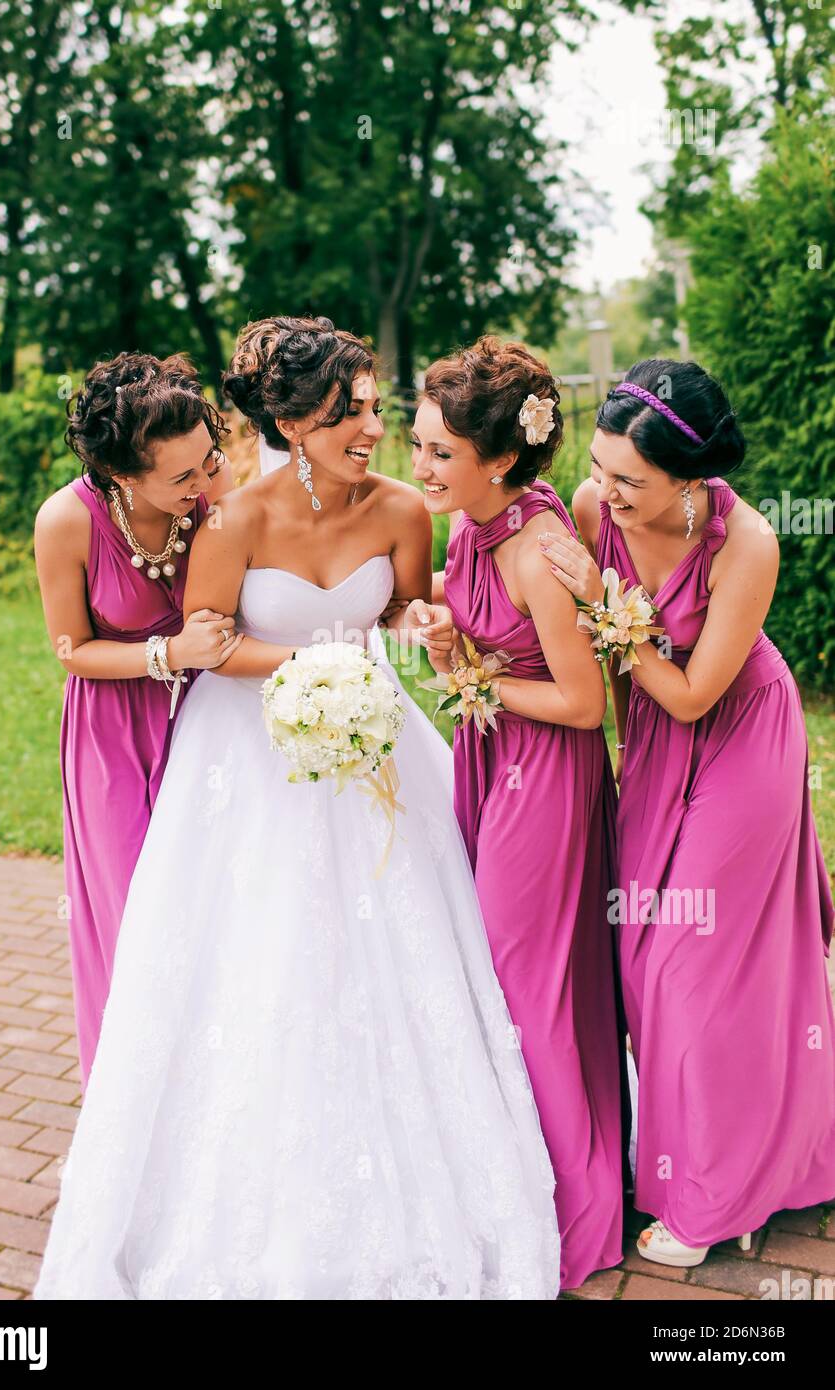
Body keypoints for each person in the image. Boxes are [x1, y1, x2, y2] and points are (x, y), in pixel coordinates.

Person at [32, 317, 561, 1300]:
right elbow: (212, 642)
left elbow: (406, 609)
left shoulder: (406, 509)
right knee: (258, 957)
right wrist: (318, 669)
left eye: (371, 403)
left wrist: (425, 623)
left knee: (408, 952)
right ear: (291, 421)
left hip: (375, 747)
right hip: (246, 757)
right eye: (347, 412)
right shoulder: (228, 521)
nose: (373, 424)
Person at [541, 358, 835, 1267]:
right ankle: (728, 1157)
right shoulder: (596, 512)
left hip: (739, 731)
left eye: (629, 480)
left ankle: (713, 1200)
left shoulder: (746, 541)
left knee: (689, 966)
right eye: (598, 470)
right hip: (659, 748)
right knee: (641, 958)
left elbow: (695, 692)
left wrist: (598, 604)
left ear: (690, 475)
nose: (605, 493)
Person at [410, 336, 625, 1290]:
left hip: (544, 774)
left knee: (520, 987)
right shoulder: (473, 522)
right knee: (499, 980)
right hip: (492, 756)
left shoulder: (541, 550)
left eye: (437, 454)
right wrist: (444, 635)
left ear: (499, 458)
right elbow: (475, 643)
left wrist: (481, 681)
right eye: (416, 446)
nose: (418, 468)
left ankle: (568, 1211)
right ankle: (506, 1182)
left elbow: (585, 704)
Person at [34, 352, 238, 1090]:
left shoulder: (216, 499)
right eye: (181, 478)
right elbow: (72, 650)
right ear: (123, 476)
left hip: (209, 725)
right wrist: (169, 652)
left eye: (208, 462)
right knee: (134, 921)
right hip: (113, 734)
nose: (203, 486)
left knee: (210, 907)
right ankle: (135, 1095)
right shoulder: (66, 522)